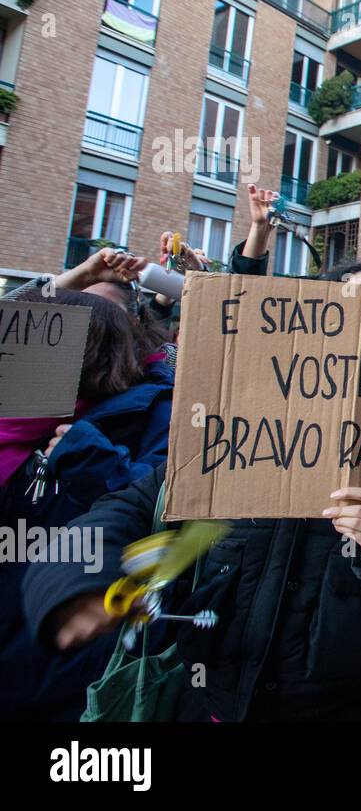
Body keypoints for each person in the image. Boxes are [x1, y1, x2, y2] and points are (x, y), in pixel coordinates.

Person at [24, 244, 361, 721]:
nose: (355, 338)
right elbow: (129, 507)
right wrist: (78, 586)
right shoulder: (239, 430)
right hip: (212, 700)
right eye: (339, 314)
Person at [2, 286, 172, 720]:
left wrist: (88, 457)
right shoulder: (16, 423)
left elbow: (166, 505)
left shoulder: (156, 407)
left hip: (73, 643)